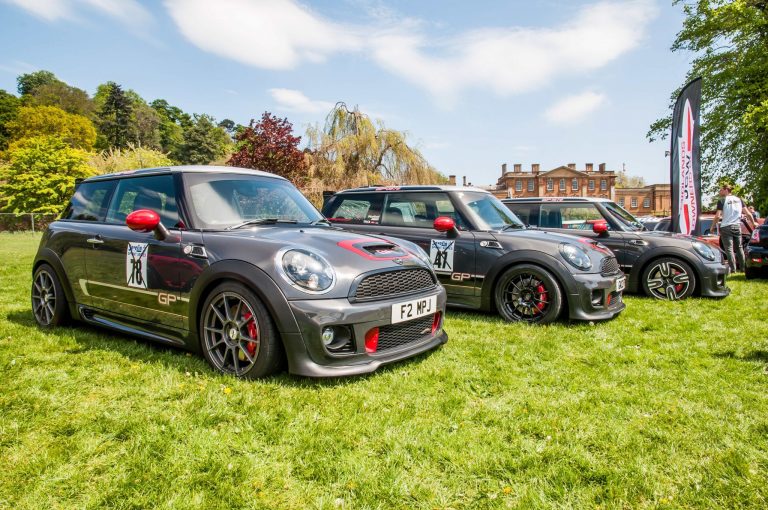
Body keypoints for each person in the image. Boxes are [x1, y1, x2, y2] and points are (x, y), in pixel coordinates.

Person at [713, 184, 755, 273]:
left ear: (726, 190)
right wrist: (753, 222)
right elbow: (748, 213)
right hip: (737, 226)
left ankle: (733, 269)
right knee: (739, 248)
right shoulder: (739, 199)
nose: (720, 192)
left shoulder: (722, 200)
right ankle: (743, 269)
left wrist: (712, 226)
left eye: (721, 190)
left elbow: (717, 216)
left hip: (726, 227)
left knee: (729, 249)